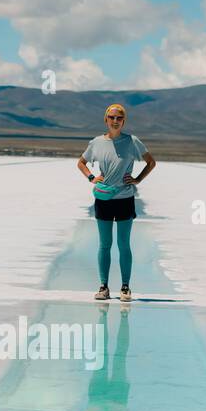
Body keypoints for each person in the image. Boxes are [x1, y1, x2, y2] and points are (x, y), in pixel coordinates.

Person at [76, 103, 156, 302]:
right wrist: (91, 178)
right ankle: (103, 287)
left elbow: (151, 162)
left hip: (125, 199)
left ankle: (125, 288)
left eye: (119, 118)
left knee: (123, 244)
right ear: (106, 119)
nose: (115, 120)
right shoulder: (96, 143)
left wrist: (137, 179)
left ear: (124, 121)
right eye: (112, 117)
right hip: (104, 200)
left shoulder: (132, 141)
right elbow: (81, 162)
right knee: (104, 244)